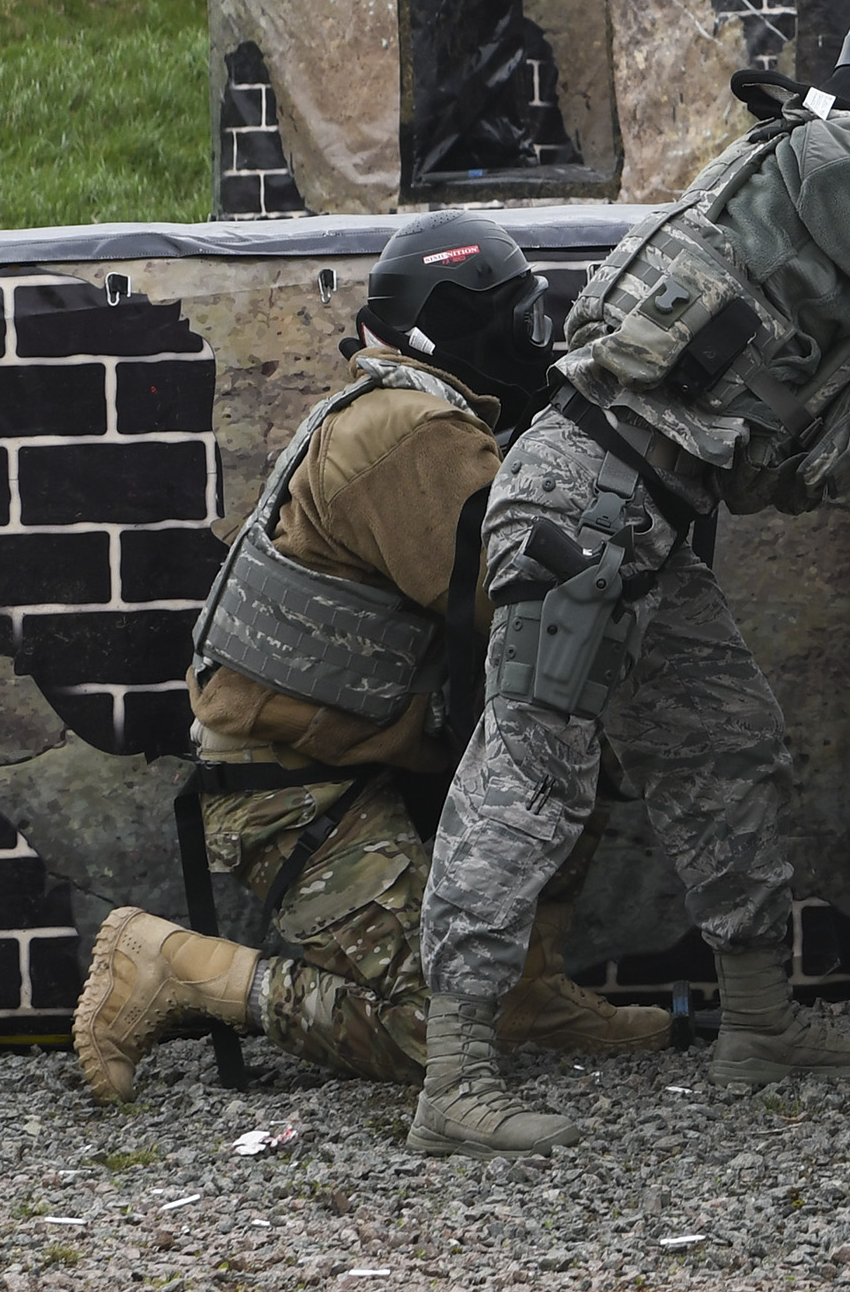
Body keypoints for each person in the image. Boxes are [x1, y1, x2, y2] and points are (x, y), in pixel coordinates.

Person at [408, 0, 850, 1156]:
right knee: (529, 772)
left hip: (627, 508)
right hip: (594, 503)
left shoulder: (817, 151)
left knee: (729, 744)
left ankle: (757, 1024)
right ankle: (454, 1077)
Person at [72, 213, 673, 1105]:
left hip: (348, 761)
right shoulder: (413, 432)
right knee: (434, 1033)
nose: (530, 339)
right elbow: (503, 600)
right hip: (290, 793)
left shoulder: (403, 409)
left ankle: (526, 992)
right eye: (513, 317)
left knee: (561, 732)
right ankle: (178, 968)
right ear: (460, 323)